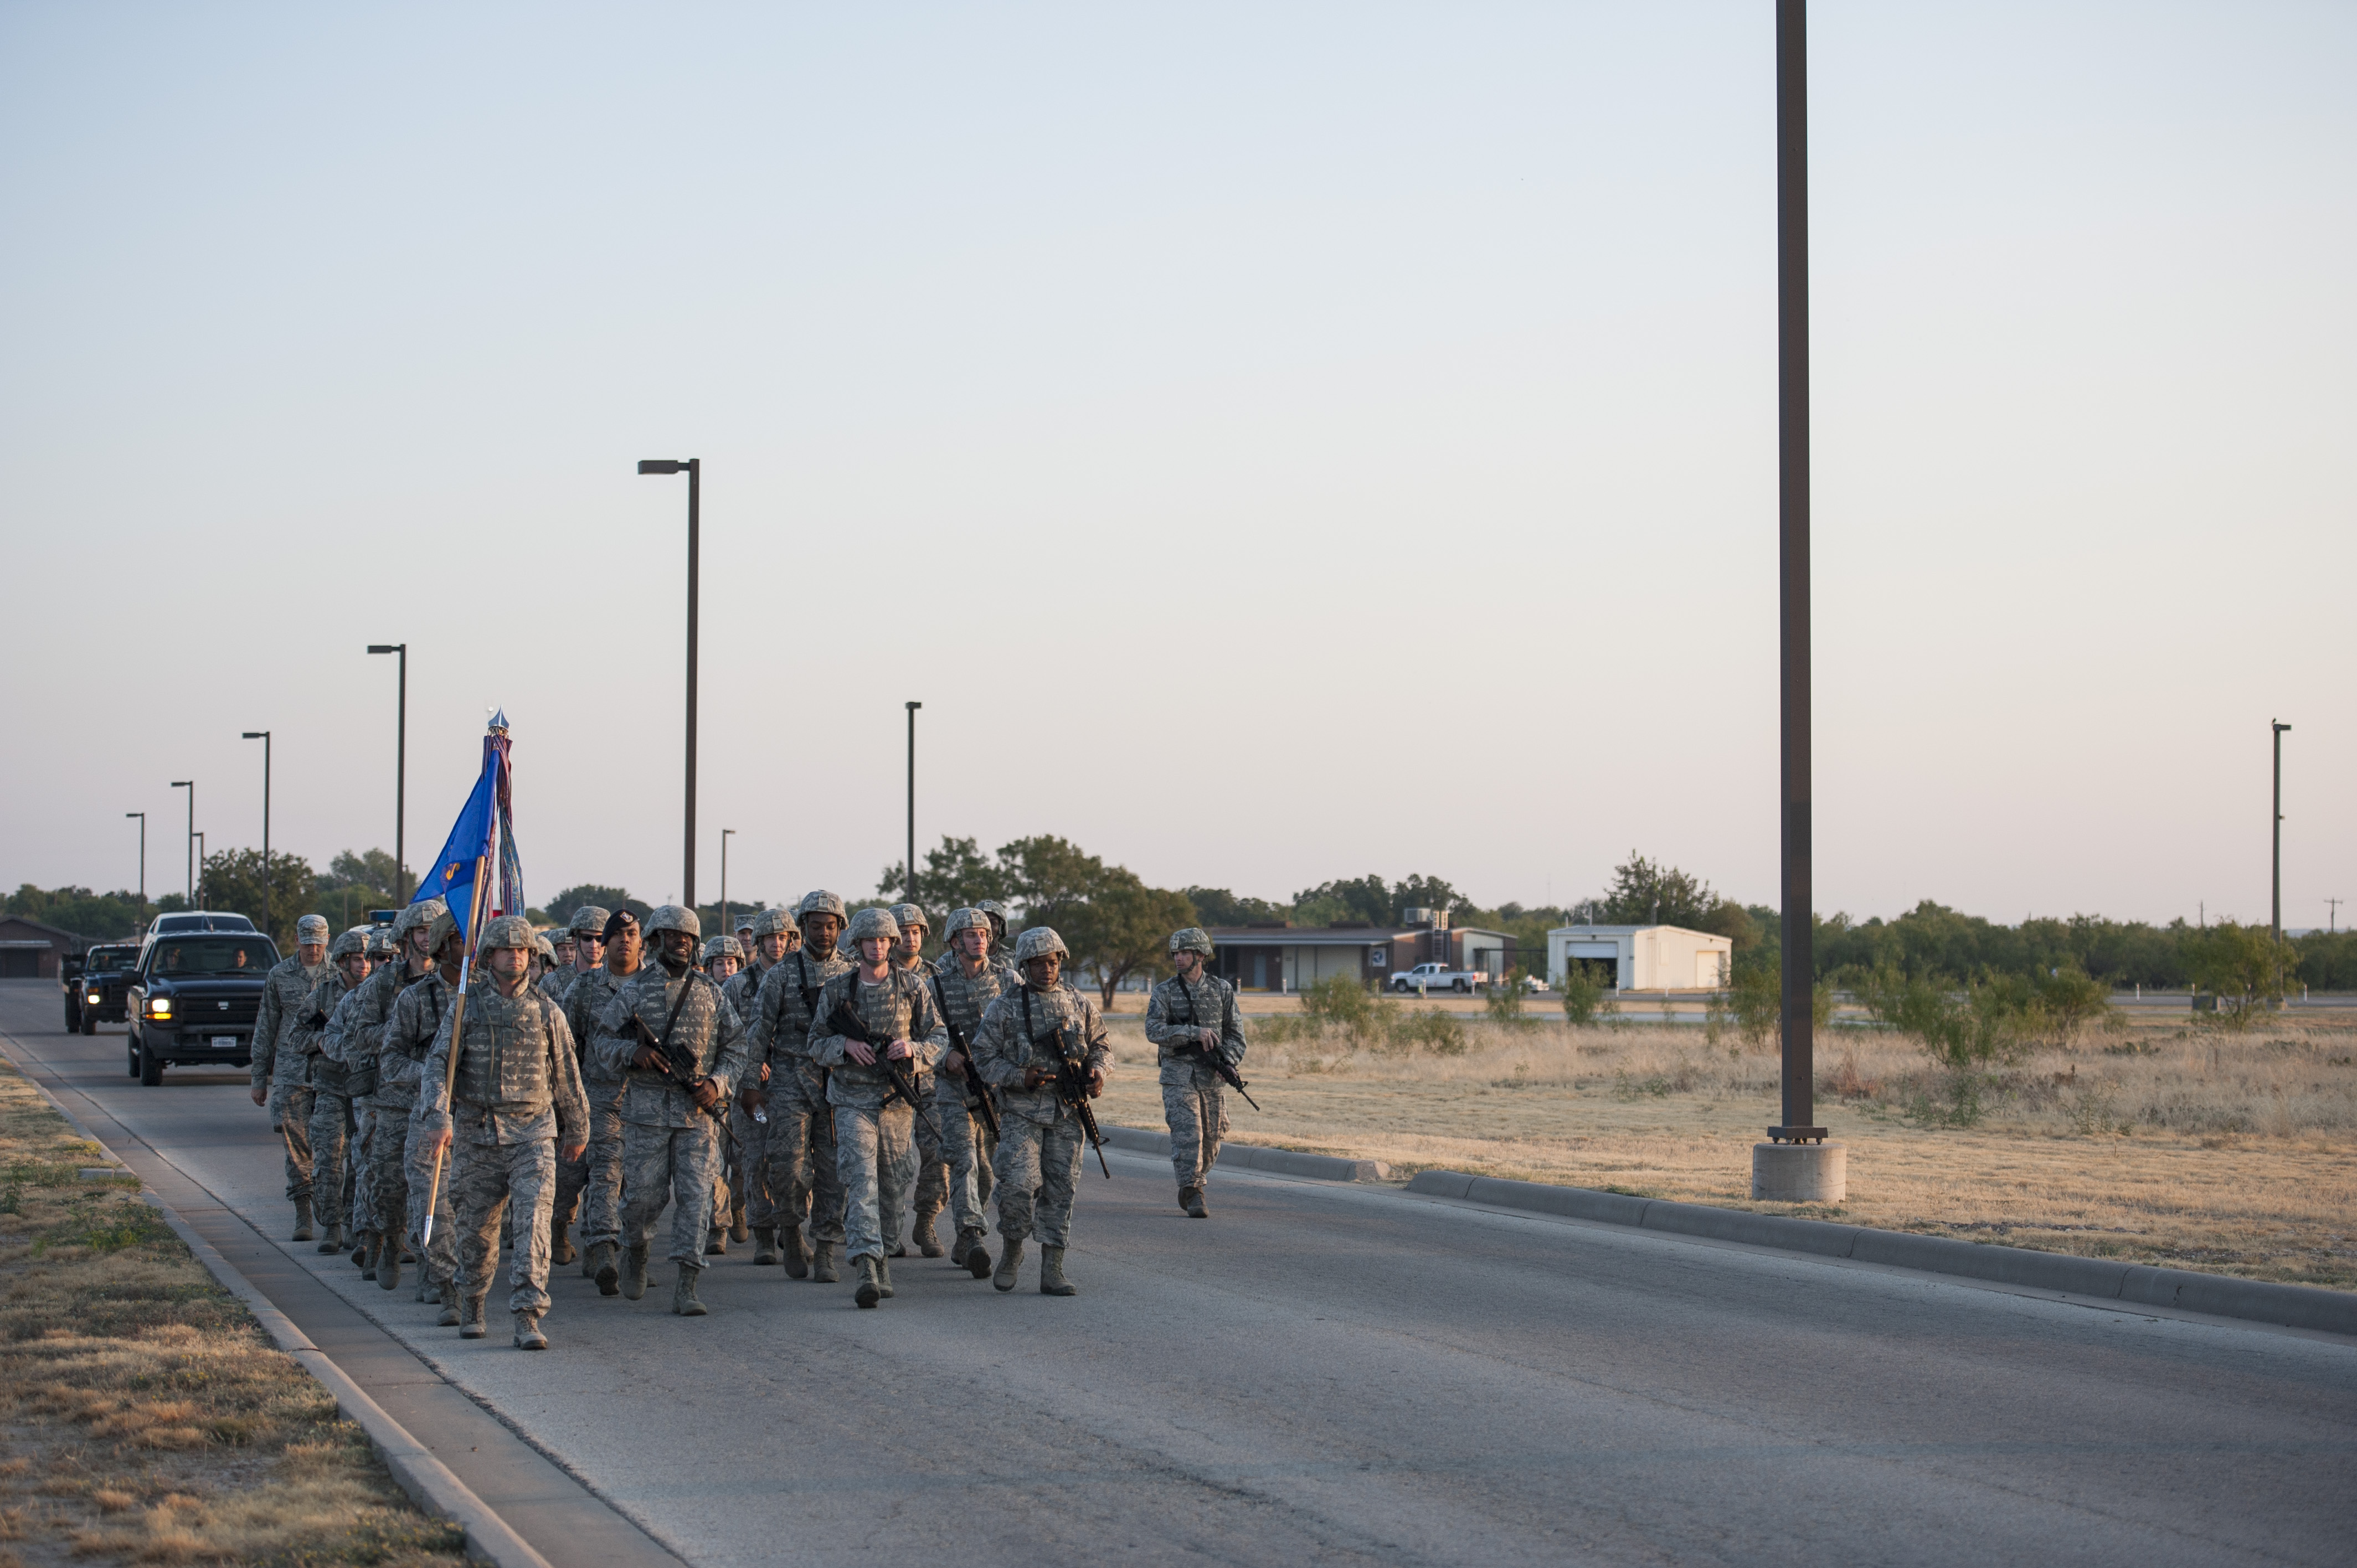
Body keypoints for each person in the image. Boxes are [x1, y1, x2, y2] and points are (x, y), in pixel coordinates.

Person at [419, 914, 589, 1349]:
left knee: (533, 1225)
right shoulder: (466, 1009)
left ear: (531, 957)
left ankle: (527, 1314)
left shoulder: (548, 1011)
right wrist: (439, 1116)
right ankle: (473, 1299)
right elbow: (438, 1066)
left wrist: (578, 1126)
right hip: (478, 1133)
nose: (514, 956)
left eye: (522, 950)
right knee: (476, 1231)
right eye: (505, 949)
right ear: (488, 957)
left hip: (533, 1133)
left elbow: (567, 1073)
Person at [596, 906, 747, 1314]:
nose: (681, 943)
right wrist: (635, 1052)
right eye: (672, 936)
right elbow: (603, 1042)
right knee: (643, 1200)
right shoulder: (633, 990)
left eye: (687, 937)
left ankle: (687, 1282)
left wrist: (716, 1084)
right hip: (645, 1114)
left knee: (696, 1199)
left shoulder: (711, 992)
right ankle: (635, 1249)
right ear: (656, 940)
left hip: (696, 1117)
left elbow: (737, 1048)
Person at [807, 907, 946, 1308]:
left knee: (892, 1185)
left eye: (884, 940)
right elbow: (815, 1042)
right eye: (871, 940)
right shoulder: (838, 990)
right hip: (852, 1101)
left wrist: (914, 1050)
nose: (878, 946)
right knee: (861, 1180)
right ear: (859, 944)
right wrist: (845, 1047)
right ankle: (866, 1263)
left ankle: (883, 1253)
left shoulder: (913, 987)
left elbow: (938, 1037)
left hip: (897, 1105)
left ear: (892, 944)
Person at [970, 927, 1108, 1296]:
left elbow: (1102, 1047)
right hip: (1021, 1112)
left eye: (1052, 962)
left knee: (1061, 1190)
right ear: (1024, 965)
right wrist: (1019, 1076)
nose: (1046, 969)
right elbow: (982, 1057)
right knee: (1017, 1187)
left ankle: (1053, 1267)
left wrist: (1098, 1073)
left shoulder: (1079, 1003)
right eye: (1037, 963)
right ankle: (1012, 1250)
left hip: (1067, 1112)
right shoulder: (1006, 1005)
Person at [325, 899, 446, 1279]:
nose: (428, 939)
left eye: (433, 931)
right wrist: (400, 1032)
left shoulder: (452, 982)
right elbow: (357, 1036)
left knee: (435, 1189)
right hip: (390, 1098)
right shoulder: (383, 983)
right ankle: (389, 1241)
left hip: (435, 1099)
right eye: (421, 931)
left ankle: (433, 1268)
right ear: (407, 937)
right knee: (388, 1182)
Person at [746, 892, 852, 1282]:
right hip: (790, 1079)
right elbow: (759, 1033)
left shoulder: (851, 974)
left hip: (838, 1082)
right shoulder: (781, 974)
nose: (823, 933)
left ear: (840, 927)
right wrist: (750, 1085)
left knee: (832, 1171)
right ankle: (790, 1231)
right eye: (815, 925)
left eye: (830, 925)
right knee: (787, 1167)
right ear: (802, 928)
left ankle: (825, 1247)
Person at [371, 911, 468, 1317]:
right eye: (463, 941)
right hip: (427, 1115)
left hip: (477, 1118)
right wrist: (433, 1076)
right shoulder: (414, 999)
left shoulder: (485, 997)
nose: (472, 951)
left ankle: (459, 1276)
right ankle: (438, 1276)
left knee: (470, 1205)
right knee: (430, 1200)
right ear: (445, 946)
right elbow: (390, 1061)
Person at [1144, 927, 1250, 1218]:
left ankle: (1194, 1180)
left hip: (1211, 1076)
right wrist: (1192, 1032)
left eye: (1185, 953)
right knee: (1188, 1132)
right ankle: (1193, 1190)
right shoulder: (1164, 992)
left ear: (1201, 956)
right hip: (1178, 1074)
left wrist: (1227, 1061)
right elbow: (1153, 1030)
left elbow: (1236, 1034)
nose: (1178, 958)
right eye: (1176, 953)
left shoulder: (1221, 990)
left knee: (1213, 1137)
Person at [565, 907, 640, 1293]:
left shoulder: (657, 985)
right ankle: (603, 1247)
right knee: (607, 1173)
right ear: (605, 942)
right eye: (616, 935)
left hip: (647, 1098)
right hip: (600, 1094)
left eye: (631, 934)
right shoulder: (584, 989)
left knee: (642, 1183)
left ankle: (632, 1252)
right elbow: (566, 1048)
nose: (623, 941)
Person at [929, 907, 1005, 1276]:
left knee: (989, 1170)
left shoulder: (1008, 981)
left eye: (984, 934)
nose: (980, 940)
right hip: (953, 1088)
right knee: (965, 1160)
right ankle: (971, 1233)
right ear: (956, 941)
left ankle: (965, 1237)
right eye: (972, 935)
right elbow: (921, 1035)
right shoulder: (936, 985)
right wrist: (946, 1056)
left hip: (994, 1088)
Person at [253, 915, 332, 1243]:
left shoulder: (341, 973)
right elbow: (266, 1026)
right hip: (291, 1073)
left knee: (332, 1147)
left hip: (332, 1072)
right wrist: (259, 1076)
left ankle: (332, 1214)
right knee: (296, 1145)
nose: (313, 949)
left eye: (318, 943)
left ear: (327, 941)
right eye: (307, 942)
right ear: (296, 942)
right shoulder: (279, 975)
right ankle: (303, 1212)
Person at [543, 904, 609, 1262]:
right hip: (568, 1091)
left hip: (611, 1093)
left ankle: (599, 1242)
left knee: (609, 1172)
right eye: (588, 938)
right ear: (575, 940)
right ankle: (559, 1226)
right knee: (568, 1174)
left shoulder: (620, 982)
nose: (595, 945)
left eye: (602, 939)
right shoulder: (553, 985)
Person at [726, 906, 791, 1264]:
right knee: (754, 1162)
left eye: (784, 938)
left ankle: (790, 1226)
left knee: (791, 1162)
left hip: (792, 1087)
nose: (777, 944)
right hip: (750, 1089)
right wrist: (752, 1065)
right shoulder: (737, 985)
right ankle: (763, 1234)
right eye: (771, 938)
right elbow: (728, 1037)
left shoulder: (800, 979)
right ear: (759, 941)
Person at [887, 902, 953, 1257]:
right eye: (904, 931)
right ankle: (889, 1230)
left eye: (916, 931)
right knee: (894, 1162)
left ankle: (926, 1221)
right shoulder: (875, 972)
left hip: (930, 1082)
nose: (910, 937)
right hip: (888, 1085)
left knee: (937, 1156)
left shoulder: (938, 975)